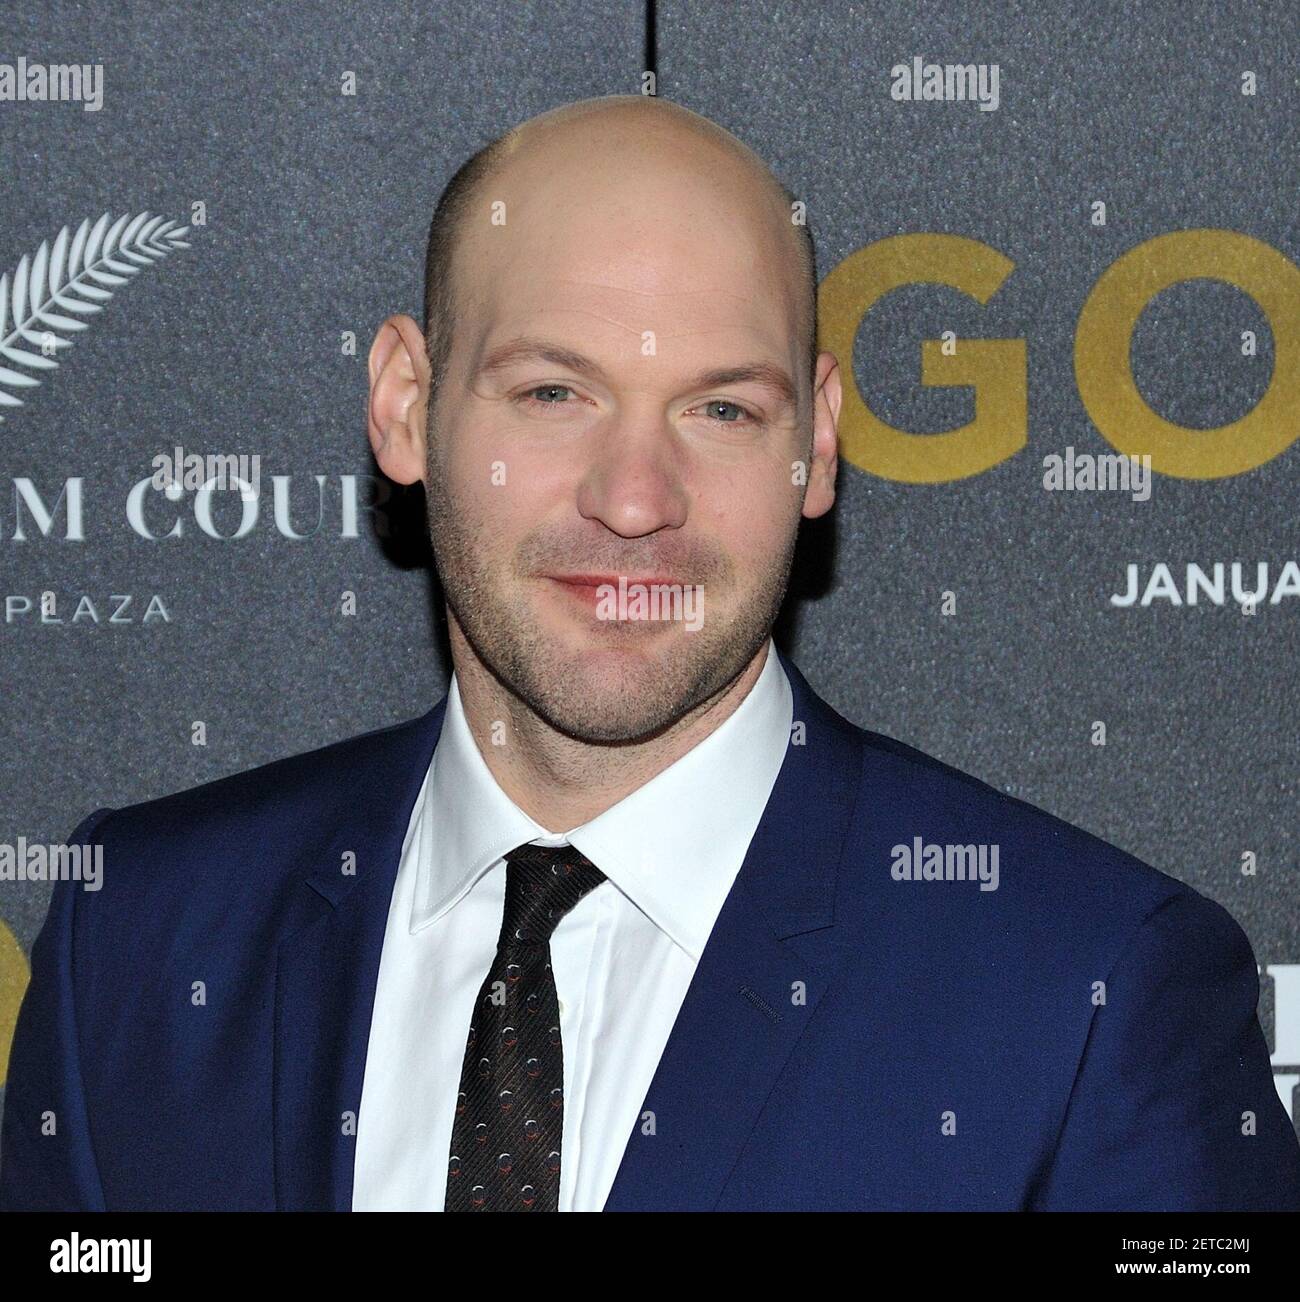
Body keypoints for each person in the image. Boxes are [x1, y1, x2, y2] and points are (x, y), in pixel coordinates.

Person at [2, 94, 1297, 1212]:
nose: (635, 497)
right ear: (406, 403)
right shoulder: (143, 937)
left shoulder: (1089, 995)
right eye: (554, 393)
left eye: (723, 407)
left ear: (820, 443)